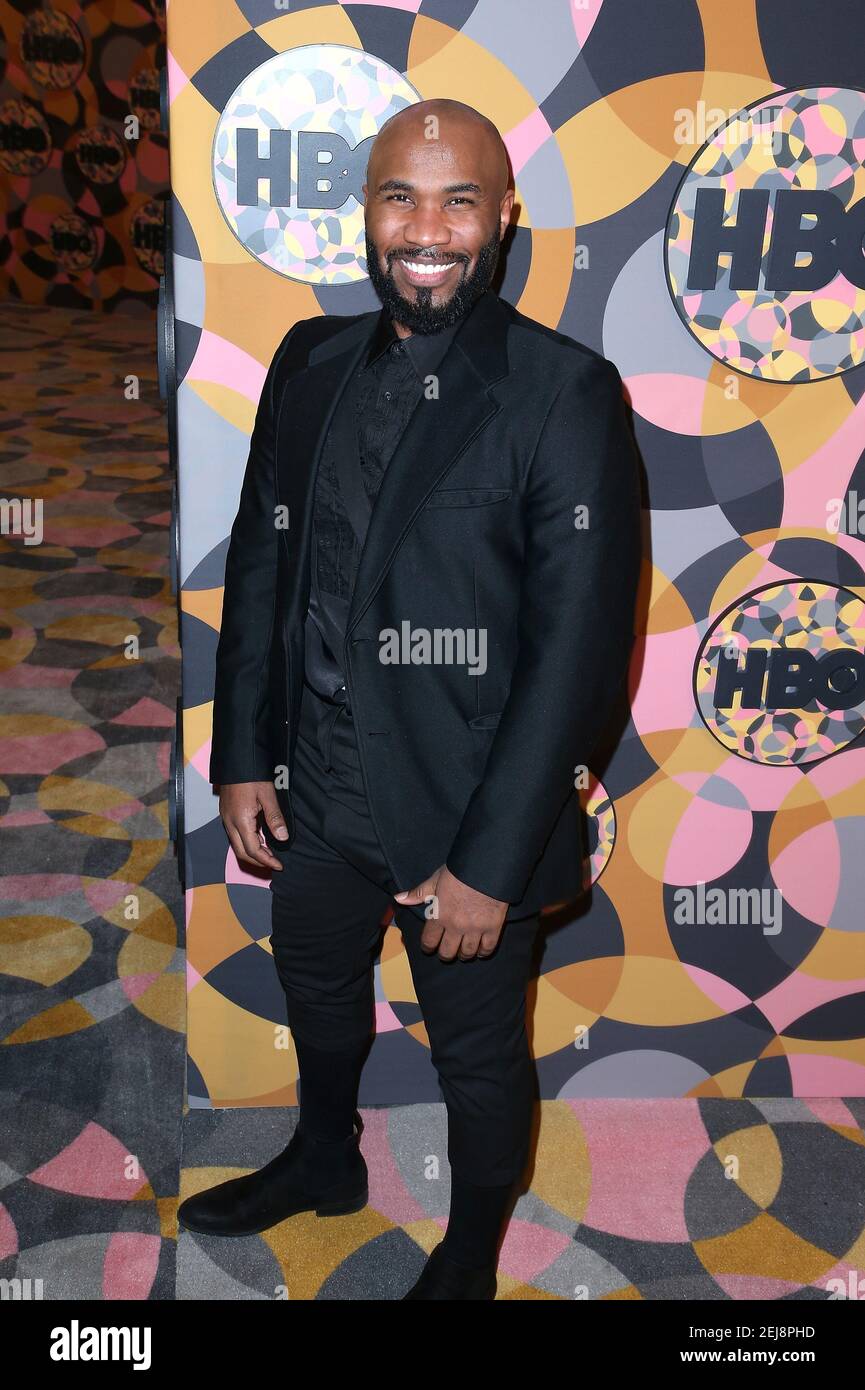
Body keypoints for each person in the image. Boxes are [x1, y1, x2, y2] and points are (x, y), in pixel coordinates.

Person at [177, 98, 642, 1300]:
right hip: (315, 785)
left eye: (457, 199)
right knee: (316, 986)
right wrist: (242, 753)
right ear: (367, 213)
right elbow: (265, 563)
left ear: (503, 218)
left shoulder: (565, 394)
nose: (425, 227)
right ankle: (325, 1156)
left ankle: (473, 1252)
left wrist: (492, 863)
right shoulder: (308, 360)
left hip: (467, 805)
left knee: (479, 1059)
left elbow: (577, 660)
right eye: (399, 196)